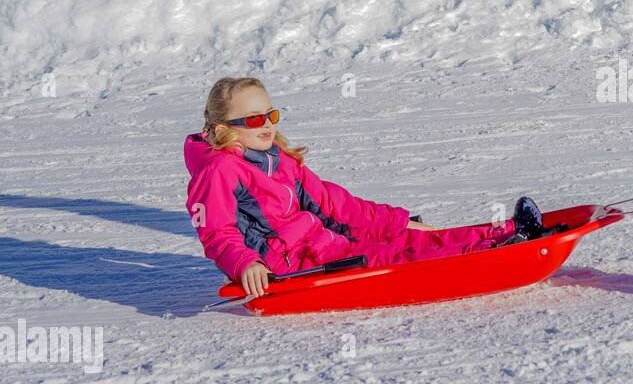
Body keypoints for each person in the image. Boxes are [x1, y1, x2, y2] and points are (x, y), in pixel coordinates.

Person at [184, 76, 547, 298]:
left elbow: (337, 205)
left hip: (324, 244)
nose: (266, 124)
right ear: (221, 129)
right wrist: (247, 263)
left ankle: (508, 232)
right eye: (253, 119)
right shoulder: (219, 171)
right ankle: (496, 253)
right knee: (399, 258)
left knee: (407, 240)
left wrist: (398, 222)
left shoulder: (279, 159)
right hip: (293, 264)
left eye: (271, 115)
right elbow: (217, 233)